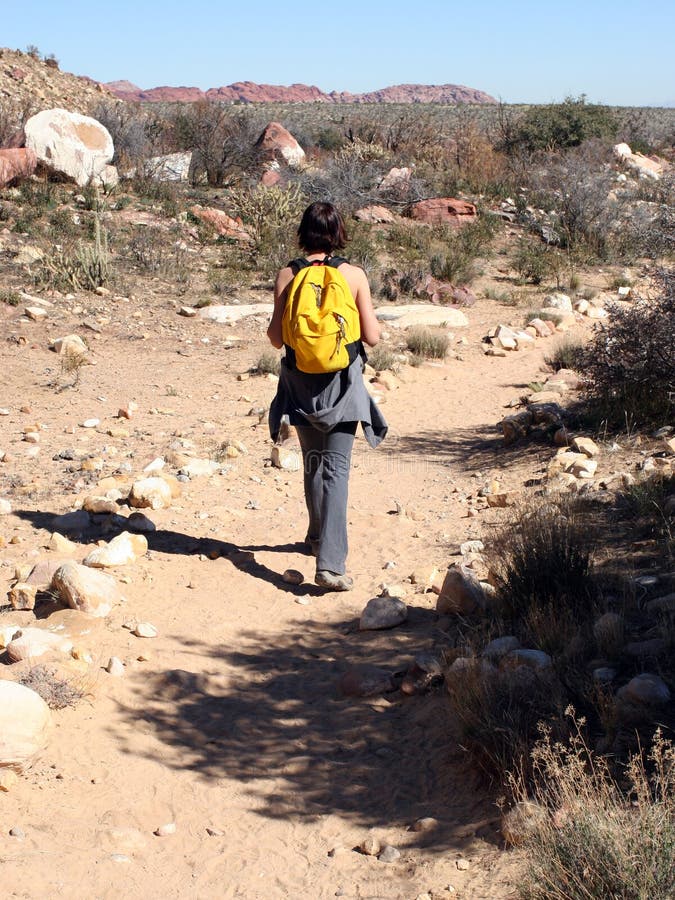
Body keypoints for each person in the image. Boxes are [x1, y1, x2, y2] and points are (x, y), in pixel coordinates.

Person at [267, 201, 387, 591]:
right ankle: (330, 565)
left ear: (303, 232)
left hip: (300, 384)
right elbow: (371, 336)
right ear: (337, 233)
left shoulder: (288, 273)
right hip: (343, 385)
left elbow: (275, 338)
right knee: (336, 470)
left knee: (312, 462)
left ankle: (317, 536)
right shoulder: (352, 275)